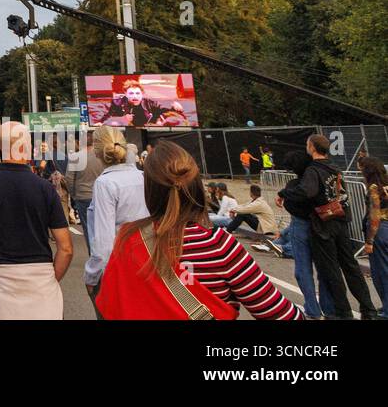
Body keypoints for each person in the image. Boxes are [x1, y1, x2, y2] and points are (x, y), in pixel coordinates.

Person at [96, 141, 298, 320]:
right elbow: (280, 314)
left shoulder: (128, 238)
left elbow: (110, 306)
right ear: (196, 186)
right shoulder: (219, 246)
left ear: (149, 191)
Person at [0, 120, 72, 319]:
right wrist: (51, 279)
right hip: (40, 280)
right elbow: (66, 248)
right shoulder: (44, 188)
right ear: (25, 147)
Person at [300, 134, 379, 319]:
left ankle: (344, 312)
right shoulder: (335, 168)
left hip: (323, 223)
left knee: (332, 270)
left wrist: (287, 194)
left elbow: (307, 192)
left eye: (307, 144)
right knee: (351, 266)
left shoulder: (313, 170)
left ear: (312, 147)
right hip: (341, 220)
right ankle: (368, 309)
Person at [82, 125, 146, 303]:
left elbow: (103, 242)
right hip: (146, 264)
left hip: (118, 269)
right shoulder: (143, 177)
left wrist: (91, 276)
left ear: (96, 152)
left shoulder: (105, 183)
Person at [277, 151, 337, 319]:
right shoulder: (319, 179)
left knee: (303, 269)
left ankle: (312, 307)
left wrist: (284, 194)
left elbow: (292, 206)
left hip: (300, 224)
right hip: (321, 224)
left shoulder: (294, 186)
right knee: (323, 267)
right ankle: (328, 307)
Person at [358, 155, 388, 319]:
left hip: (380, 231)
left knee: (381, 273)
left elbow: (375, 215)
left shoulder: (374, 188)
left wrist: (369, 241)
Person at [66, 133, 103, 255]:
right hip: (101, 196)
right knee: (103, 226)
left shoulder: (75, 157)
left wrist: (74, 195)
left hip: (83, 197)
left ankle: (93, 256)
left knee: (88, 229)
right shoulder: (101, 156)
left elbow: (69, 180)